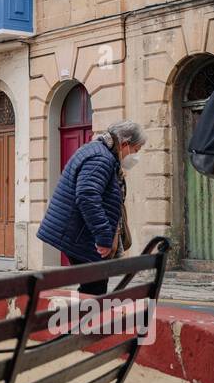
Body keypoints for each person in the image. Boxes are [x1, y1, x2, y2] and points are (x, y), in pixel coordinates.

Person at [37, 120, 144, 296]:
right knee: (94, 287)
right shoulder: (101, 158)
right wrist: (103, 237)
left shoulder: (99, 152)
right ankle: (84, 322)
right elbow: (87, 195)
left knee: (94, 285)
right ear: (125, 144)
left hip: (78, 231)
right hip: (78, 234)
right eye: (136, 150)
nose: (135, 156)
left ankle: (84, 320)